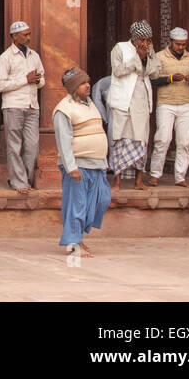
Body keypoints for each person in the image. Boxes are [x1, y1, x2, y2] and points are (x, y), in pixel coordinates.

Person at [53, 67, 111, 259]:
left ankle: (78, 236)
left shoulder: (90, 103)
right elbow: (63, 141)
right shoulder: (64, 109)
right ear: (72, 87)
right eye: (82, 83)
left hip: (97, 165)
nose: (88, 86)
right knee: (76, 205)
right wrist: (71, 167)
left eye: (88, 81)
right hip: (78, 166)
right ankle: (73, 242)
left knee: (102, 199)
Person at [148, 27, 189, 188]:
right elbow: (152, 80)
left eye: (183, 44)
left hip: (186, 104)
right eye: (178, 44)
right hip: (165, 105)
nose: (181, 47)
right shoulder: (159, 57)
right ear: (170, 42)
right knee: (162, 140)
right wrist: (171, 78)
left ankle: (180, 177)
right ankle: (154, 175)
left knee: (184, 143)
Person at [109, 20, 160, 191]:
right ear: (135, 38)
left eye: (148, 40)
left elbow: (155, 73)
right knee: (120, 139)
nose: (145, 43)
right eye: (142, 40)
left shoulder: (150, 51)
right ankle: (117, 182)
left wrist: (146, 58)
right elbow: (117, 71)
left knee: (141, 140)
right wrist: (136, 58)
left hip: (141, 102)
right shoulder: (120, 48)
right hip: (122, 101)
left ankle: (138, 182)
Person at [0, 20, 44, 194]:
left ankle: (26, 180)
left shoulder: (34, 56)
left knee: (32, 146)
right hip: (13, 105)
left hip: (32, 105)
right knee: (14, 146)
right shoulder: (5, 58)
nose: (29, 37)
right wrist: (25, 80)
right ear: (14, 37)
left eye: (29, 34)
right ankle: (18, 182)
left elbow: (42, 80)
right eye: (25, 35)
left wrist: (37, 80)